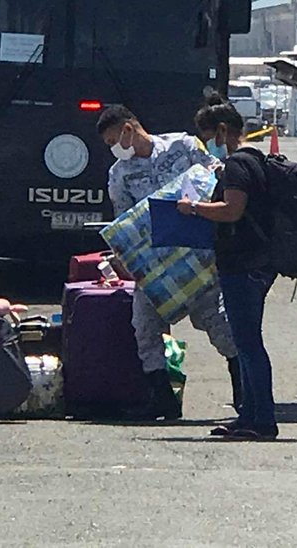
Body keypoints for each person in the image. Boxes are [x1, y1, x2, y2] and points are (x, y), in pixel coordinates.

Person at [98, 103, 240, 421]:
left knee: (217, 323)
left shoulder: (183, 146)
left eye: (113, 141)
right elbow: (124, 220)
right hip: (154, 263)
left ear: (128, 129)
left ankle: (244, 390)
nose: (114, 149)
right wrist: (123, 256)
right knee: (144, 327)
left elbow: (217, 174)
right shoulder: (119, 174)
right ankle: (162, 398)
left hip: (196, 255)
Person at [179, 96, 278, 441]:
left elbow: (232, 210)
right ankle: (249, 414)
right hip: (256, 262)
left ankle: (262, 419)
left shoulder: (237, 164)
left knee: (248, 344)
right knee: (245, 341)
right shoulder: (254, 160)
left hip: (244, 264)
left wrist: (194, 208)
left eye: (209, 137)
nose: (209, 145)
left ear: (222, 131)